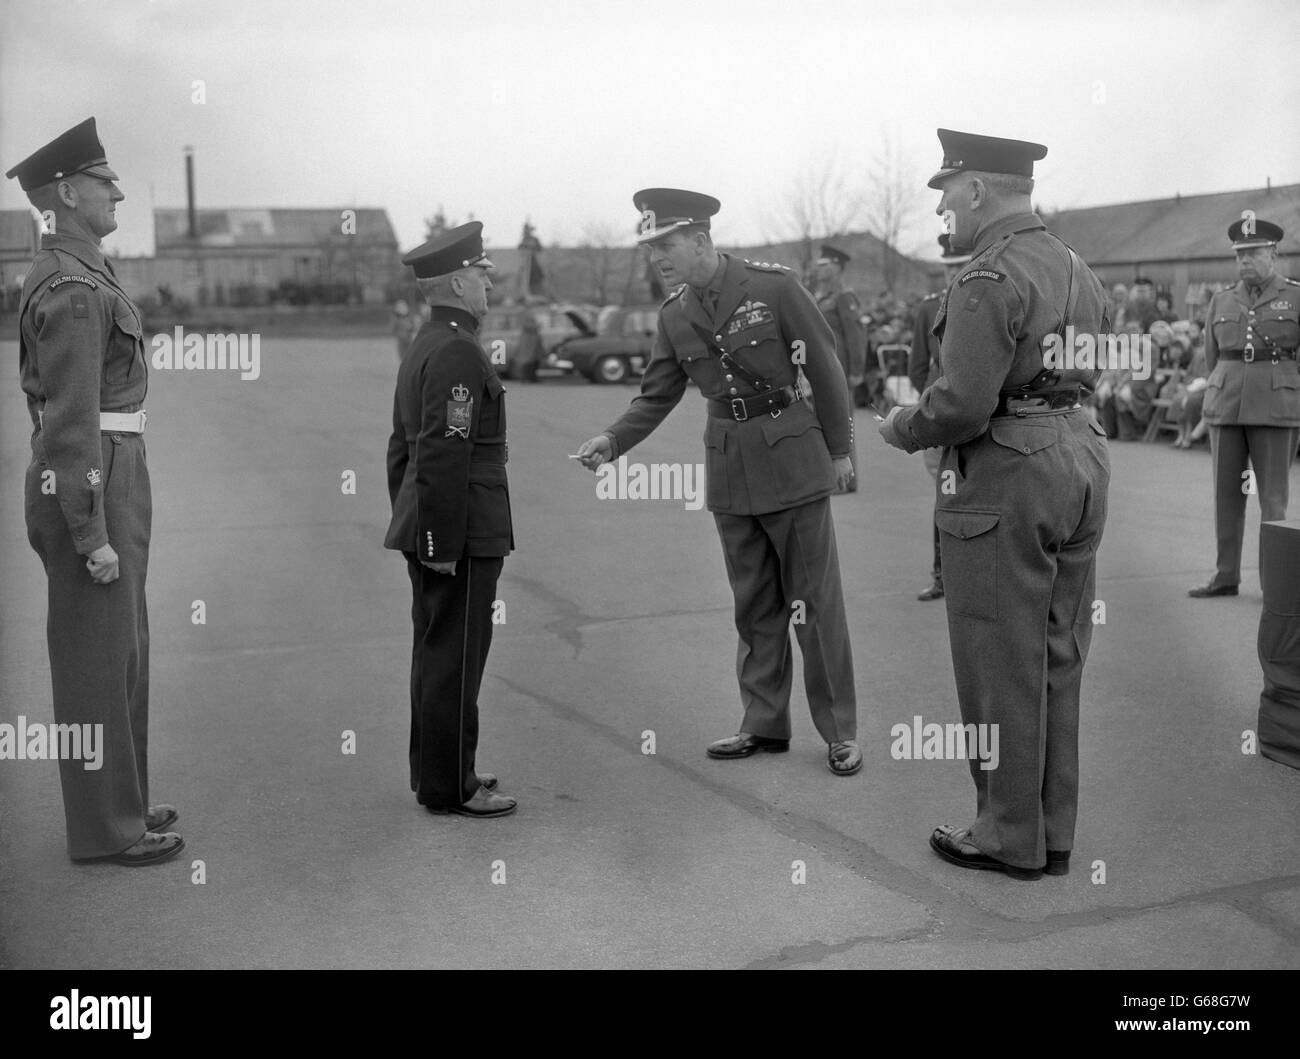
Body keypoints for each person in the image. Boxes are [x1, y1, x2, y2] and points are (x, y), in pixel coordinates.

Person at [878, 129, 1110, 880]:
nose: (943, 206)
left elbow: (961, 405)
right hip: (1080, 453)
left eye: (947, 191)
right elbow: (1089, 370)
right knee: (1057, 653)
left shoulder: (988, 275)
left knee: (996, 660)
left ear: (977, 190)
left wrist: (902, 426)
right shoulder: (1077, 267)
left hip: (1009, 472)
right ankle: (1051, 827)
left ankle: (1008, 834)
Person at [575, 188, 861, 776]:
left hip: (793, 459)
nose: (656, 257)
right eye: (650, 247)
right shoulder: (675, 314)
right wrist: (613, 440)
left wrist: (840, 451)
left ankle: (839, 730)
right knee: (754, 603)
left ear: (701, 240)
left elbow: (826, 371)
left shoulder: (774, 287)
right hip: (730, 467)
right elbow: (656, 394)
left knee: (814, 603)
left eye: (666, 245)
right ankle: (763, 723)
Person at [6, 117, 182, 866]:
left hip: (115, 466)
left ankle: (126, 799)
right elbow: (69, 422)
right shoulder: (73, 287)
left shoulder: (84, 272)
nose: (116, 192)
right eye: (104, 181)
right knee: (94, 659)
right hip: (92, 476)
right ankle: (106, 830)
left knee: (123, 651)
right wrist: (89, 531)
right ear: (68, 192)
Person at [384, 221, 517, 817]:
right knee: (455, 658)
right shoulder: (459, 350)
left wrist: (414, 524)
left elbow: (400, 451)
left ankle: (438, 773)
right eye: (483, 276)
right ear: (460, 283)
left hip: (433, 525)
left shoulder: (425, 342)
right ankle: (450, 788)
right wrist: (438, 538)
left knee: (435, 653)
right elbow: (443, 448)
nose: (489, 285)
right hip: (458, 532)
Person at [1188, 218, 1300, 598]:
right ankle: (1225, 575)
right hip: (1227, 404)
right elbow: (1211, 356)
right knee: (1227, 495)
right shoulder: (1221, 299)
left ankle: (1277, 587)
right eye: (1239, 255)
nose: (1245, 261)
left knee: (1273, 500)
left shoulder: (1295, 297)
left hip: (1275, 404)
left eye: (1253, 253)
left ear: (1273, 254)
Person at [906, 234, 971, 601]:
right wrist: (934, 401)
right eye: (948, 269)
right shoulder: (929, 309)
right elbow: (918, 367)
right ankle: (942, 576)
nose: (954, 276)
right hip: (942, 417)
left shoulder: (984, 302)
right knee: (946, 495)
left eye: (960, 267)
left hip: (981, 416)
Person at [812, 244, 866, 492]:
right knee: (825, 421)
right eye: (819, 265)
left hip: (841, 369)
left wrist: (857, 370)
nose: (819, 269)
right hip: (823, 368)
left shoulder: (844, 296)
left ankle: (847, 479)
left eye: (825, 266)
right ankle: (832, 477)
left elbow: (855, 336)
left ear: (836, 268)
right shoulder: (821, 295)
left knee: (844, 423)